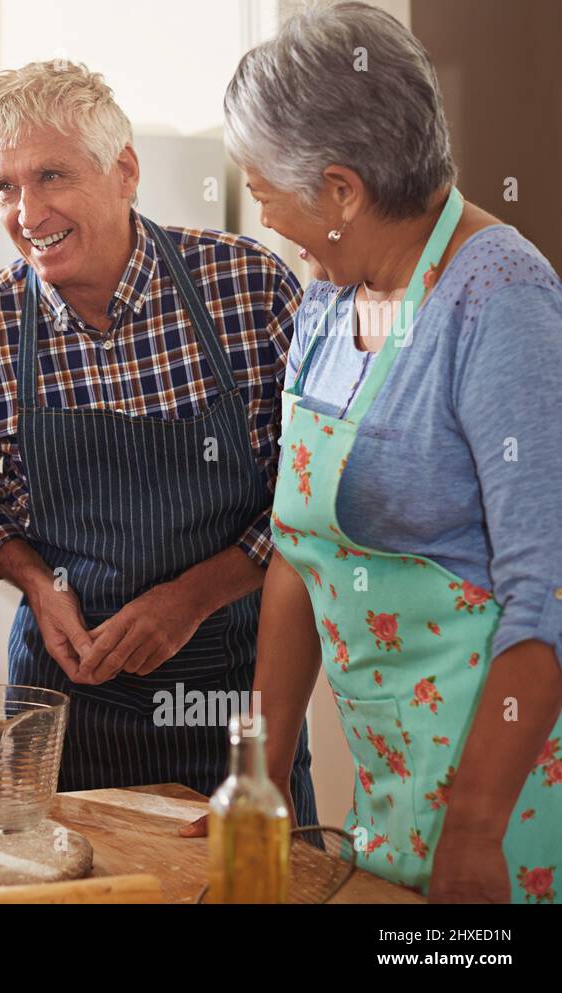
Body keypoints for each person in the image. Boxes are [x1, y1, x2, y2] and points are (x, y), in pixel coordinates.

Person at [211, 1, 562, 903]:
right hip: (388, 800)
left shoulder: (501, 299)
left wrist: (476, 829)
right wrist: (259, 784)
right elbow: (299, 558)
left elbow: (551, 591)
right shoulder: (330, 299)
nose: (266, 218)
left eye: (266, 193)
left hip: (508, 808)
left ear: (341, 191)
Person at [0, 59, 318, 826]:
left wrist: (191, 599)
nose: (27, 212)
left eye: (52, 176)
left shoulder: (249, 288)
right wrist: (40, 583)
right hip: (66, 712)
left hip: (234, 707)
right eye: (5, 186)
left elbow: (310, 495)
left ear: (125, 171)